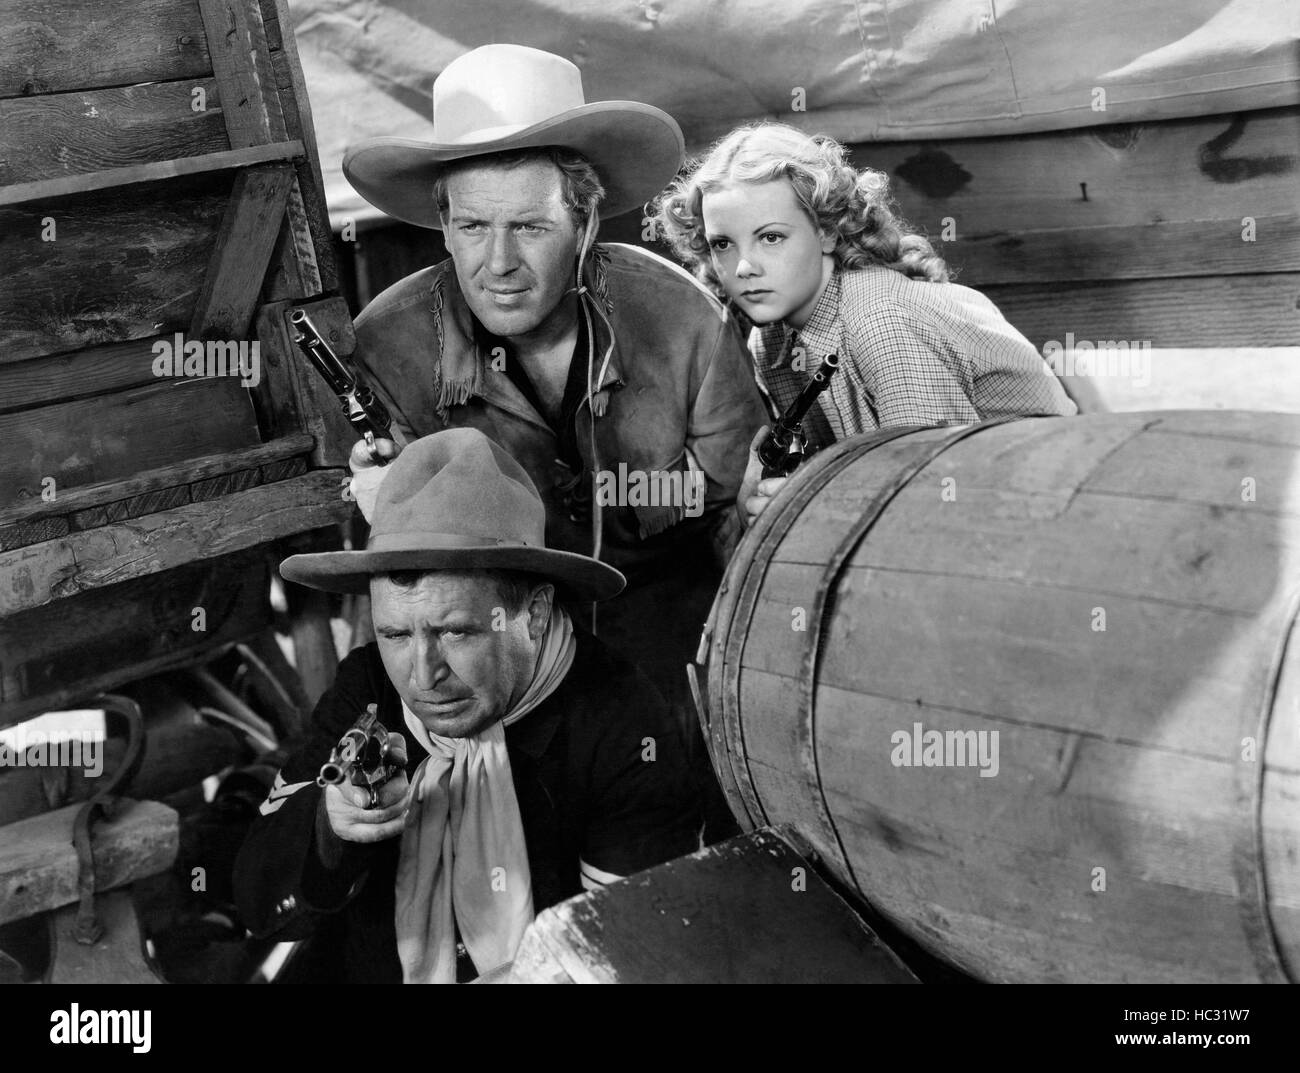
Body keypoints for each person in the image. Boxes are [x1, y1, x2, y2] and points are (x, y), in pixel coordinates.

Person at [340, 44, 767, 742]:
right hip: (495, 678)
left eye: (530, 227)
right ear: (445, 227)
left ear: (584, 224)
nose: (499, 265)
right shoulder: (386, 348)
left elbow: (733, 511)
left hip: (677, 659)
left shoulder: (684, 320)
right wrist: (390, 513)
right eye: (474, 227)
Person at [233, 429, 703, 983]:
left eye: (455, 633)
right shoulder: (366, 684)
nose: (422, 675)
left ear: (533, 614)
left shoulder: (623, 723)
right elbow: (260, 903)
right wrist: (331, 830)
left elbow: (631, 954)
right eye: (395, 635)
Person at [653, 122, 1077, 522]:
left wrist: (808, 504)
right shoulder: (771, 343)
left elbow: (933, 490)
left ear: (827, 232)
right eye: (722, 244)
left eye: (771, 237)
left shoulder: (878, 318)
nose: (743, 266)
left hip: (1053, 499)